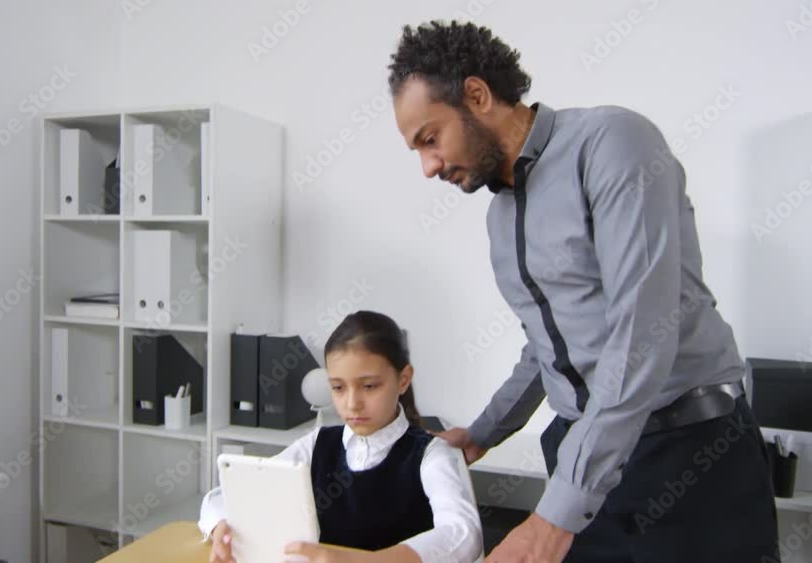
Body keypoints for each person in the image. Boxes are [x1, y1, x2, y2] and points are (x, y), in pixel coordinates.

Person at [387, 21, 779, 563]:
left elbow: (641, 334)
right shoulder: (502, 217)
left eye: (430, 139)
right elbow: (546, 347)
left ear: (476, 96)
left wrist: (553, 517)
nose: (428, 167)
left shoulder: (613, 142)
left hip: (689, 455)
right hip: (584, 459)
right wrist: (481, 435)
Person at [198, 310, 483, 563]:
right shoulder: (315, 445)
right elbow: (222, 497)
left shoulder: (431, 455)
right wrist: (222, 525)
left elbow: (463, 533)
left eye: (369, 386)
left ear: (403, 379)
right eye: (338, 388)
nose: (352, 403)